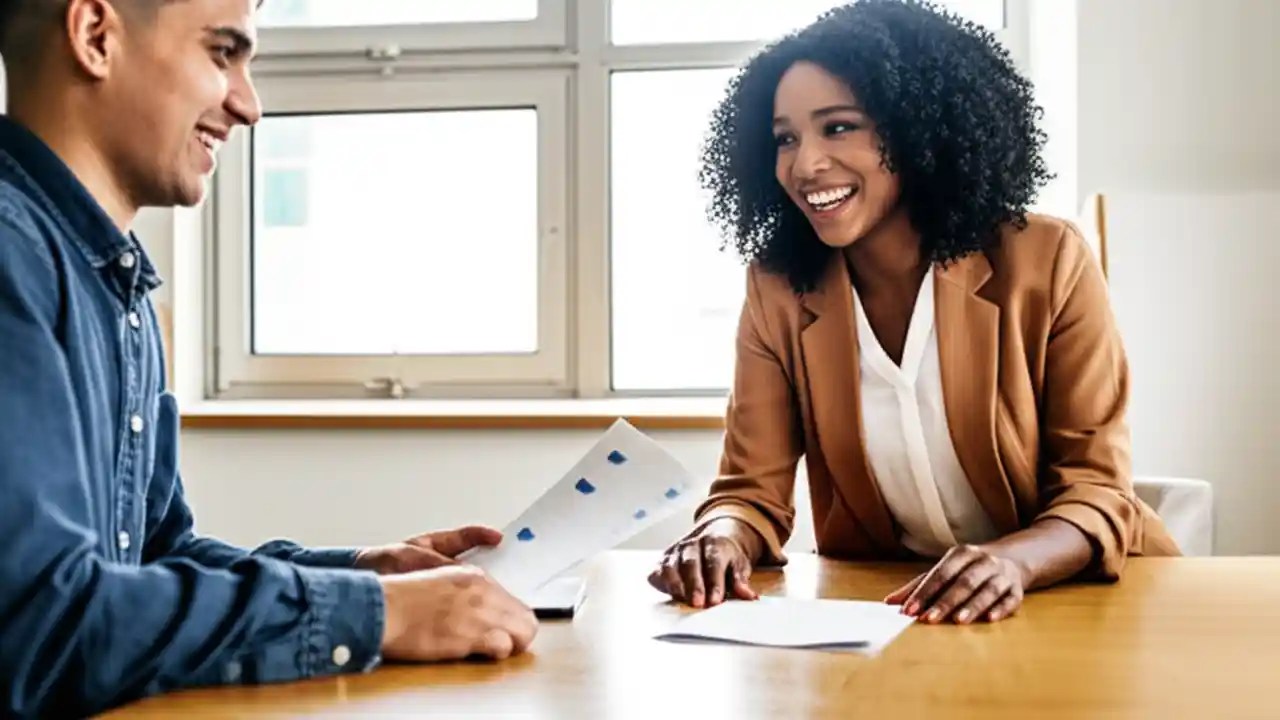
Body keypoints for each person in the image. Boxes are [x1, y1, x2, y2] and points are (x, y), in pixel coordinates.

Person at [0, 0, 536, 716]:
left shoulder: (111, 281)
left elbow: (154, 556)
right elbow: (43, 627)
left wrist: (370, 574)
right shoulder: (11, 259)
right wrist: (378, 616)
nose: (249, 106)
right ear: (96, 36)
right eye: (223, 53)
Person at [650, 0, 1180, 624]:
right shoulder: (779, 288)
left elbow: (1096, 489)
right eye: (785, 138)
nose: (805, 163)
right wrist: (718, 535)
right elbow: (750, 492)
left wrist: (1011, 561)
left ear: (917, 127)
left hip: (1087, 604)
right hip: (900, 617)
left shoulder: (1047, 259)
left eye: (838, 126)